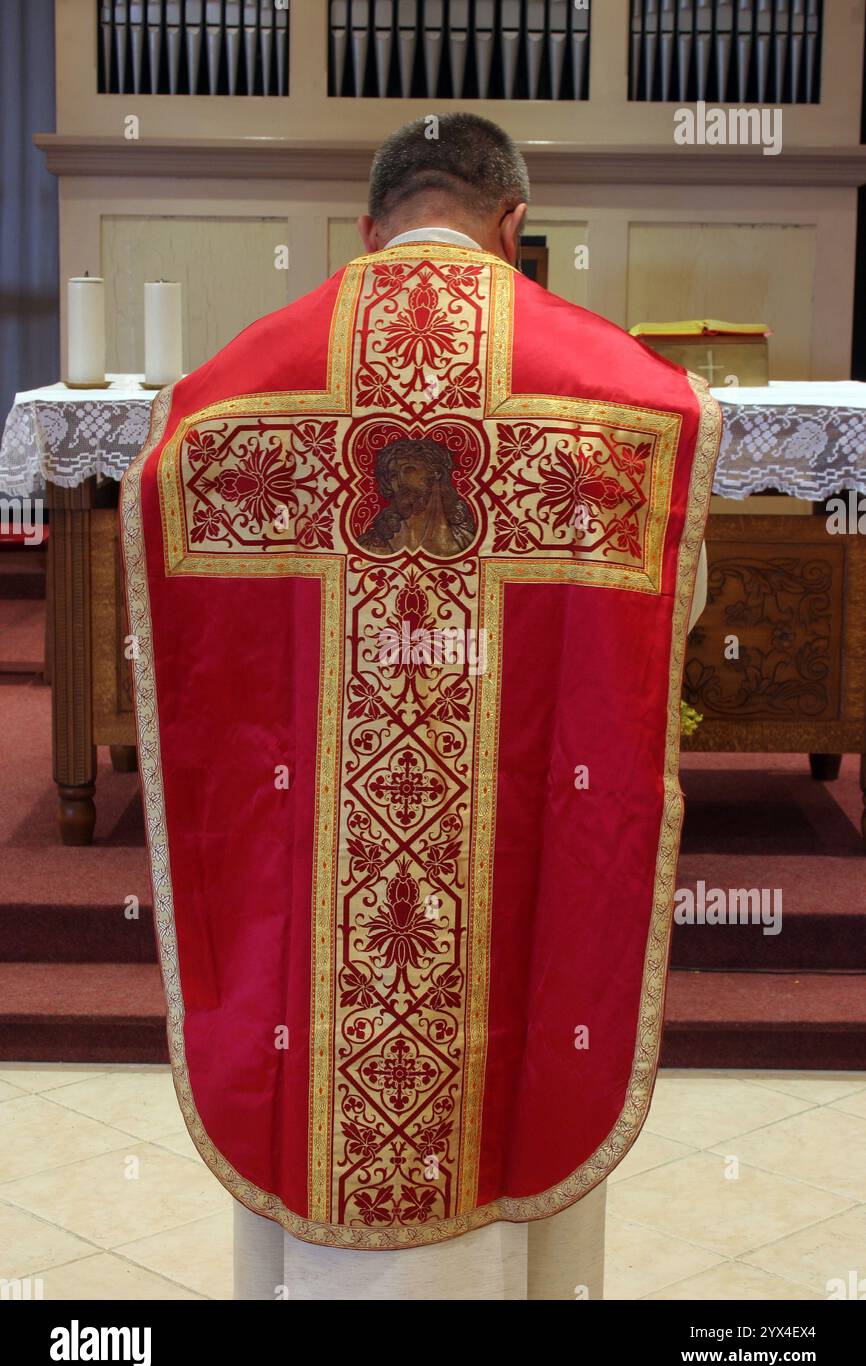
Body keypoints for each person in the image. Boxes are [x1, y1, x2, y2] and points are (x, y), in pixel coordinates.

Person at [121, 113, 718, 1302]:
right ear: (512, 226)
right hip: (506, 870)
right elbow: (672, 607)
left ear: (367, 226)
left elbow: (183, 627)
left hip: (320, 878)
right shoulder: (621, 399)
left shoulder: (229, 396)